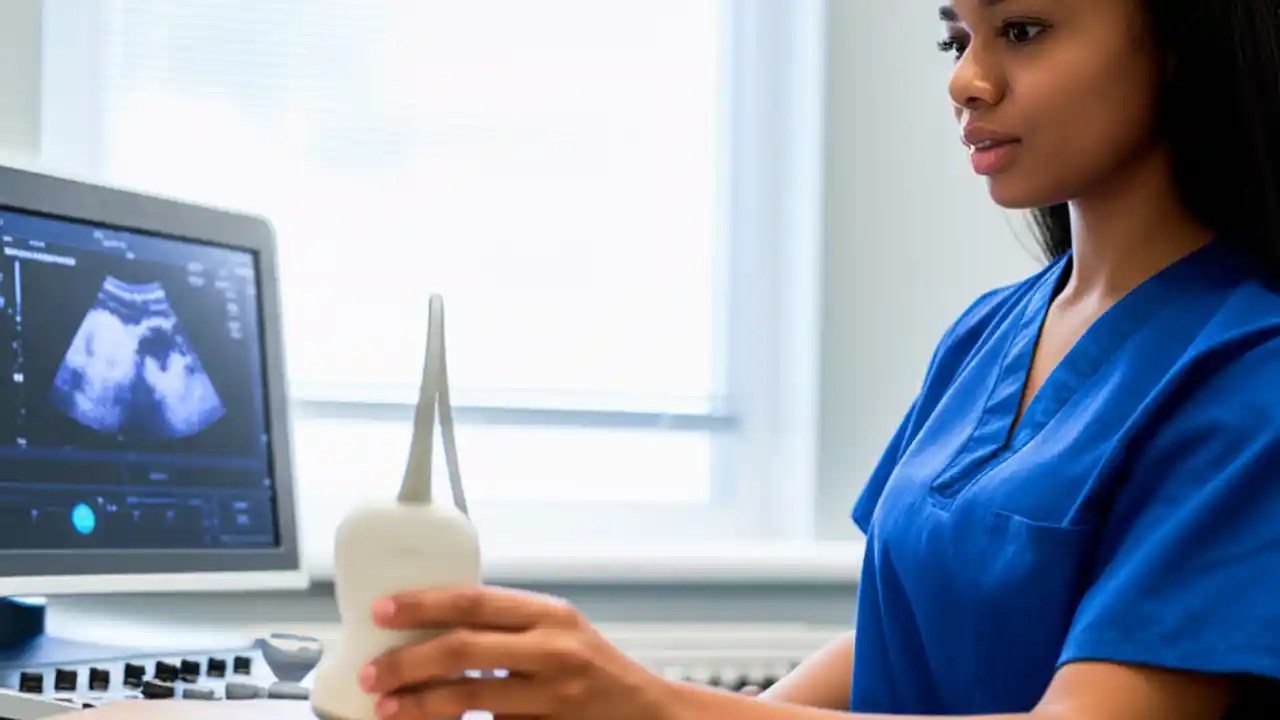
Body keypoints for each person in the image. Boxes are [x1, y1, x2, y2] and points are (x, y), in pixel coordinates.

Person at [353, 1, 1280, 718]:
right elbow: (891, 640)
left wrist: (661, 704)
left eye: (1023, 30)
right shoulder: (989, 334)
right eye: (955, 39)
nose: (967, 81)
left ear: (1177, 44)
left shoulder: (1251, 372)